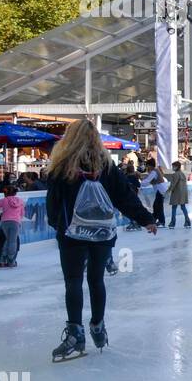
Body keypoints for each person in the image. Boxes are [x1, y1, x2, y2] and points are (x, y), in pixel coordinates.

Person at [45, 120, 158, 362]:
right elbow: (124, 197)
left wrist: (58, 225)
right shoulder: (106, 166)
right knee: (96, 280)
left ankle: (75, 333)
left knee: (73, 281)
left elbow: (52, 203)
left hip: (72, 234)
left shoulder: (62, 167)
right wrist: (146, 218)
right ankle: (98, 325)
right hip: (102, 234)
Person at [0, 183, 28, 268]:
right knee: (12, 241)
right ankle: (11, 260)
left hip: (5, 222)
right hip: (15, 222)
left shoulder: (3, 200)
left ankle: (2, 260)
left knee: (8, 240)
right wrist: (18, 218)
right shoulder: (20, 201)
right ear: (15, 193)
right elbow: (22, 213)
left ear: (5, 193)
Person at [167, 160, 191, 228]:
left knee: (174, 207)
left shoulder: (175, 174)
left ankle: (172, 222)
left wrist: (168, 190)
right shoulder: (182, 174)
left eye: (173, 166)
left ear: (177, 167)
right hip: (183, 193)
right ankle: (187, 221)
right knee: (183, 207)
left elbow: (173, 184)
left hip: (177, 193)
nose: (172, 168)